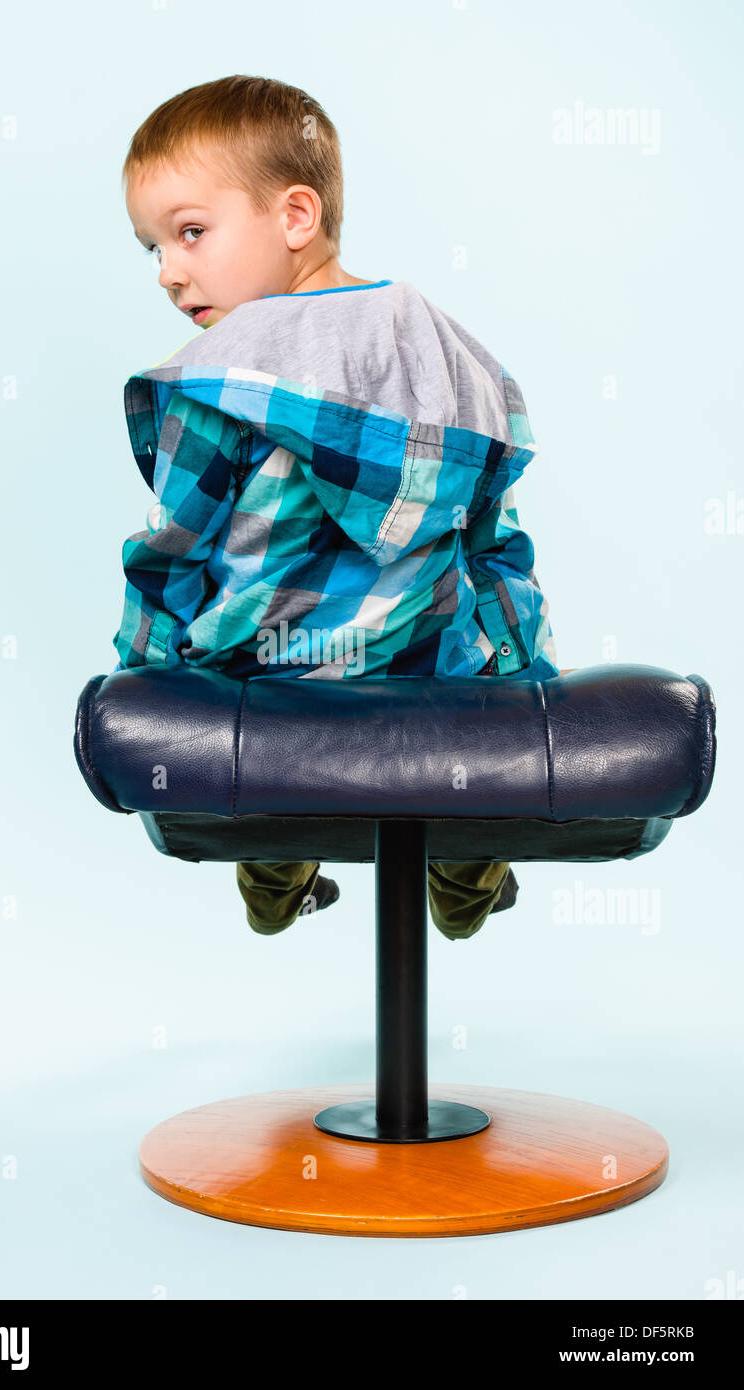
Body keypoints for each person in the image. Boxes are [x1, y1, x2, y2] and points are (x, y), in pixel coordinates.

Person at [110, 75, 573, 942]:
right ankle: (466, 879)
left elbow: (173, 548)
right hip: (438, 684)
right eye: (154, 250)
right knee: (463, 764)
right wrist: (526, 681)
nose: (171, 274)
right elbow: (492, 544)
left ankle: (275, 878)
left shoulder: (218, 373)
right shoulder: (447, 349)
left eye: (191, 233)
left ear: (295, 216)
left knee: (262, 758)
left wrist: (144, 675)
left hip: (273, 692)